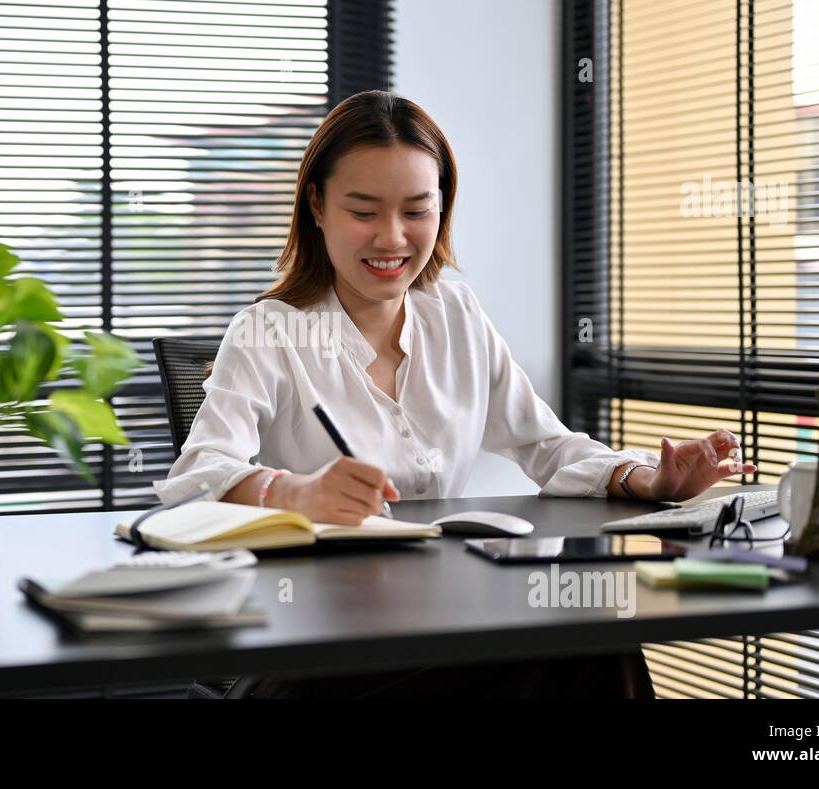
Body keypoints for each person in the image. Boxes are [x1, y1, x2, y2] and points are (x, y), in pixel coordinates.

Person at [154, 90, 757, 698]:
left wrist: (646, 480)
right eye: (364, 211)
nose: (393, 238)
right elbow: (196, 476)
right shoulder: (268, 331)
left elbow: (545, 445)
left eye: (417, 211)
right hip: (315, 638)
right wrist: (295, 494)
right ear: (317, 204)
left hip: (442, 614)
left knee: (596, 640)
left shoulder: (456, 314)